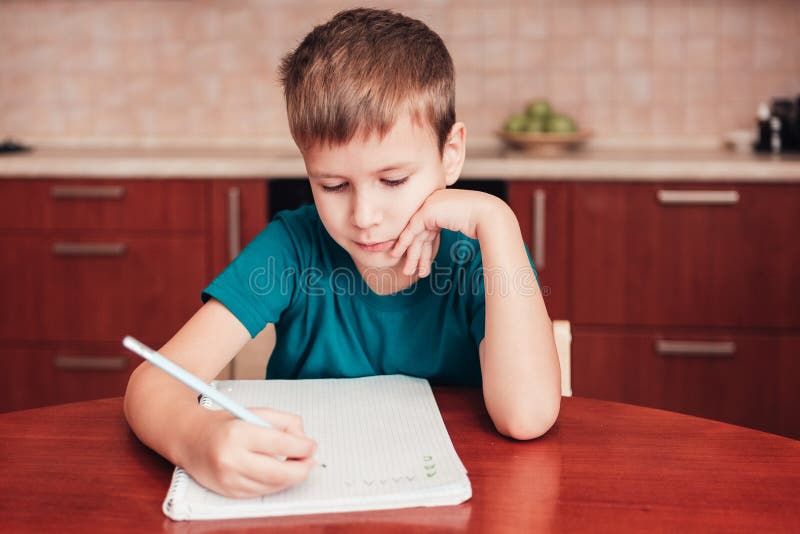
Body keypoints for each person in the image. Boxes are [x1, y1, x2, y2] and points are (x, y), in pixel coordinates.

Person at [124, 7, 560, 499]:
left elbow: (527, 418)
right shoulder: (291, 248)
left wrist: (497, 219)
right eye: (332, 185)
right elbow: (151, 386)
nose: (364, 215)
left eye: (393, 180)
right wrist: (196, 439)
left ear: (451, 154)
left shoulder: (485, 253)